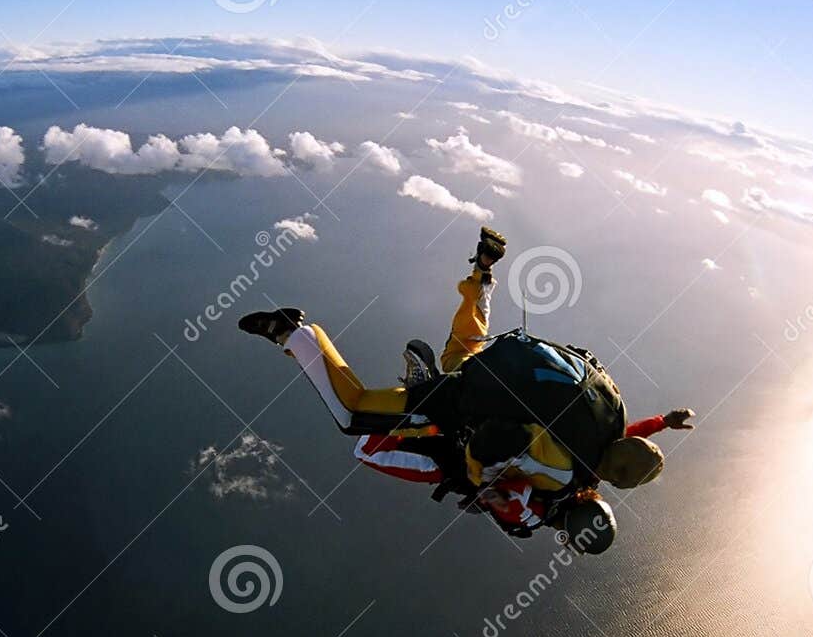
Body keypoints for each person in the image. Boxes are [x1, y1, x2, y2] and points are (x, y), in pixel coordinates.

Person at [238, 227, 694, 552]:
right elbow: (496, 440)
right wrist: (480, 480)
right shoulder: (562, 475)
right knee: (352, 415)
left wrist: (665, 423)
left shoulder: (603, 424)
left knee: (466, 346)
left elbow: (631, 435)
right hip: (459, 408)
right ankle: (293, 333)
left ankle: (481, 275)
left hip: (490, 372)